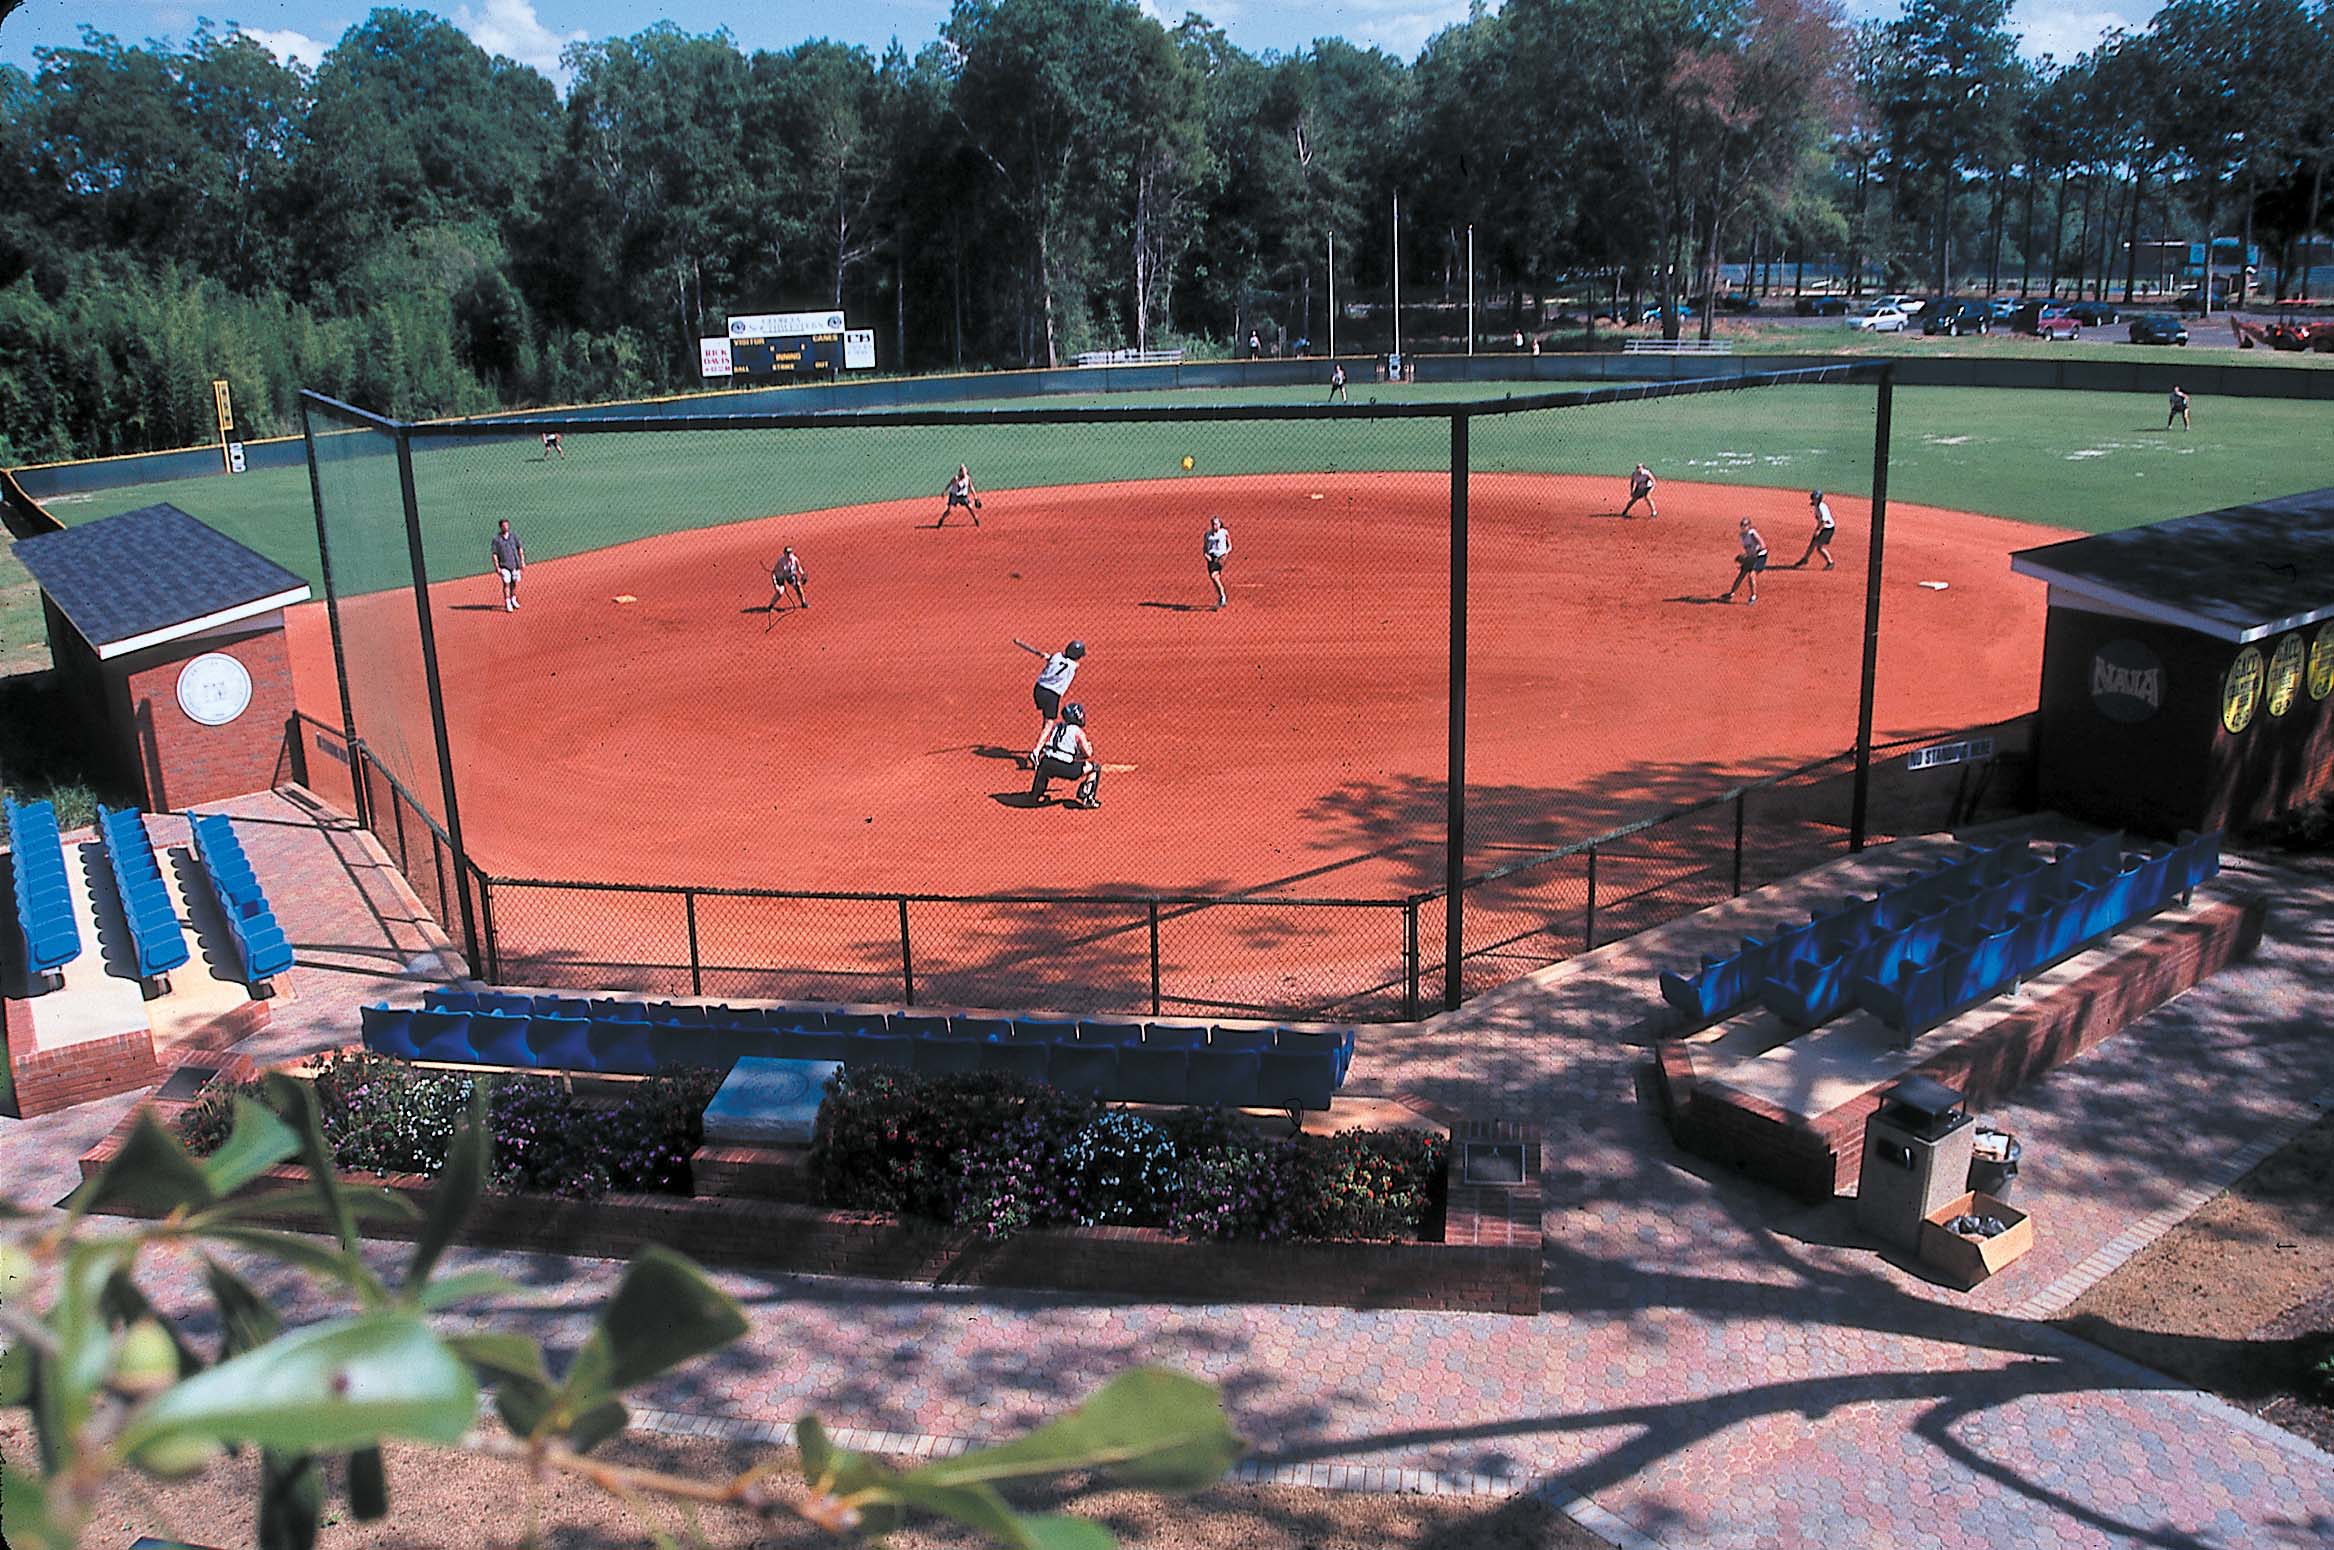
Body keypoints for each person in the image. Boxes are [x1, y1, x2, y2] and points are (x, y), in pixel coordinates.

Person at [1029, 702, 1101, 808]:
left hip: (1047, 763)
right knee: (1094, 768)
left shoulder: (1057, 727)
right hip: (1066, 768)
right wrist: (1086, 750)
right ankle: (1087, 797)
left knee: (1044, 767)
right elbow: (1088, 754)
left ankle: (1036, 794)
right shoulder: (1078, 732)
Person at [1024, 638, 1085, 749]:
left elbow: (1056, 660)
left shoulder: (1056, 656)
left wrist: (1048, 657)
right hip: (1052, 694)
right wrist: (1048, 657)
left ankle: (1042, 743)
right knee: (1050, 723)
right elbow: (1071, 663)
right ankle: (1036, 750)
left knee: (1046, 719)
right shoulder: (1073, 666)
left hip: (1039, 689)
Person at [1722, 517, 1768, 604]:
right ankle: (1731, 593)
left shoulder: (1752, 533)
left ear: (1749, 526)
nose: (1743, 527)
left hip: (1760, 556)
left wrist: (1755, 554)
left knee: (1751, 575)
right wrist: (1746, 556)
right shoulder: (1742, 536)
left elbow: (1762, 545)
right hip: (1751, 557)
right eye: (1742, 525)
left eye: (1745, 525)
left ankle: (1753, 597)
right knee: (1741, 574)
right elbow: (1748, 549)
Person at [1793, 490, 1837, 570]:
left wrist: (1818, 531)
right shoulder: (1817, 506)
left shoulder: (1821, 507)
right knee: (1812, 544)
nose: (1814, 499)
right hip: (1822, 527)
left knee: (1819, 547)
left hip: (1828, 528)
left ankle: (1830, 562)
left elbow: (1824, 521)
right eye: (1813, 498)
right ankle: (1805, 559)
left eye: (1815, 498)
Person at [488, 519, 524, 612]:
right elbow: (494, 554)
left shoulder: (513, 536)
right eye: (504, 526)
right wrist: (497, 567)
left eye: (507, 525)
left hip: (515, 564)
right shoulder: (497, 539)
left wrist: (522, 561)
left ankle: (513, 599)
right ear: (501, 527)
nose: (506, 527)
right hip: (504, 565)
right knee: (506, 583)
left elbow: (519, 548)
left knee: (514, 583)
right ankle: (507, 602)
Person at [1202, 516, 1232, 609]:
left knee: (1214, 576)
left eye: (1217, 524)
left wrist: (1226, 554)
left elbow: (1230, 545)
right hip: (1211, 558)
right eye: (1213, 524)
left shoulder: (1224, 533)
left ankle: (1222, 596)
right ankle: (1221, 597)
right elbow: (1205, 547)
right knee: (1215, 579)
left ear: (1220, 524)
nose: (1215, 526)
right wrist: (1206, 554)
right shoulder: (1208, 535)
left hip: (1221, 557)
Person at [769, 546, 809, 612]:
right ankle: (771, 606)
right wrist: (775, 584)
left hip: (789, 575)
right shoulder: (781, 561)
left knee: (798, 586)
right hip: (780, 576)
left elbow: (799, 568)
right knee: (780, 592)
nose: (789, 555)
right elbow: (773, 573)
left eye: (790, 552)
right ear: (784, 553)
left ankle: (803, 603)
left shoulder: (795, 559)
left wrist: (802, 574)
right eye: (787, 553)